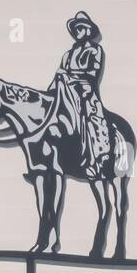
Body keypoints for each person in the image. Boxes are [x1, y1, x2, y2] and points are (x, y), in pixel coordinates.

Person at [52, 10, 111, 179]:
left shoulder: (95, 50)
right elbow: (58, 73)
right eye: (76, 28)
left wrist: (71, 78)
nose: (78, 31)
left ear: (88, 30)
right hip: (65, 90)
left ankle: (94, 157)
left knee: (90, 118)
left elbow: (93, 74)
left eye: (81, 28)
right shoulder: (68, 54)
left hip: (84, 91)